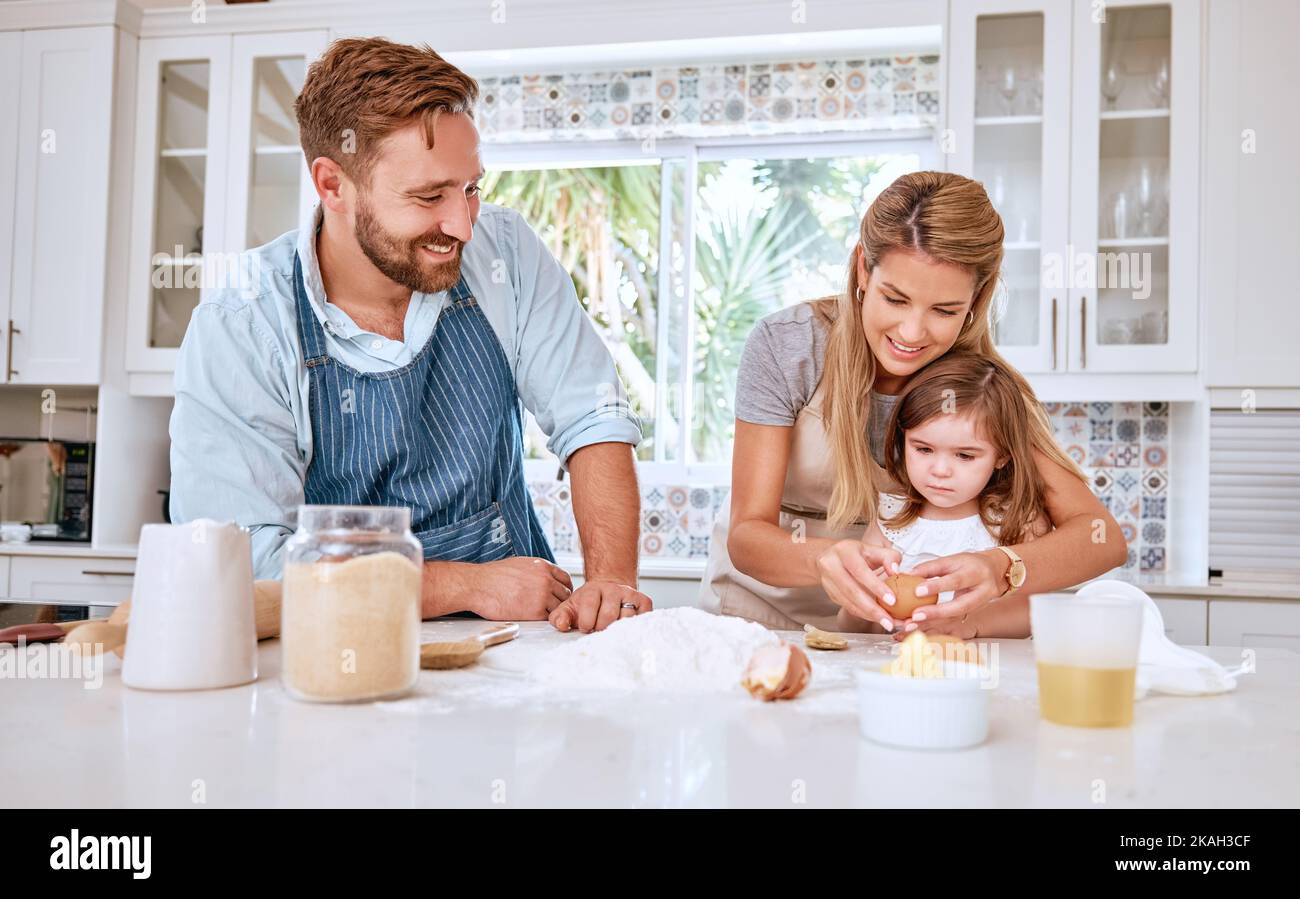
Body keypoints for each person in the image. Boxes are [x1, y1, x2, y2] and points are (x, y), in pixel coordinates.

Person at [170, 38, 650, 632]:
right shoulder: (243, 324)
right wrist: (468, 585)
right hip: (336, 652)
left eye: (471, 188)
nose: (463, 226)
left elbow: (593, 419)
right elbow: (241, 566)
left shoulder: (508, 254)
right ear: (333, 184)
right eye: (429, 197)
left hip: (518, 639)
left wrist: (612, 581)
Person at [701, 170, 1126, 633]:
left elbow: (1099, 537)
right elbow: (747, 535)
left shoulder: (981, 389)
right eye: (895, 299)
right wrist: (824, 557)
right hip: (761, 622)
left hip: (896, 636)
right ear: (864, 268)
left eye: (943, 311)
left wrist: (1003, 566)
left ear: (976, 299)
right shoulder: (788, 347)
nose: (911, 333)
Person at [836, 352, 1055, 640]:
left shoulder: (1019, 520)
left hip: (988, 676)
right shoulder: (891, 517)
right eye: (923, 449)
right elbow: (853, 630)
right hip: (905, 672)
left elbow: (1035, 613)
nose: (939, 471)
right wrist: (862, 601)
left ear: (1002, 456)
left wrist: (972, 624)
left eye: (964, 455)